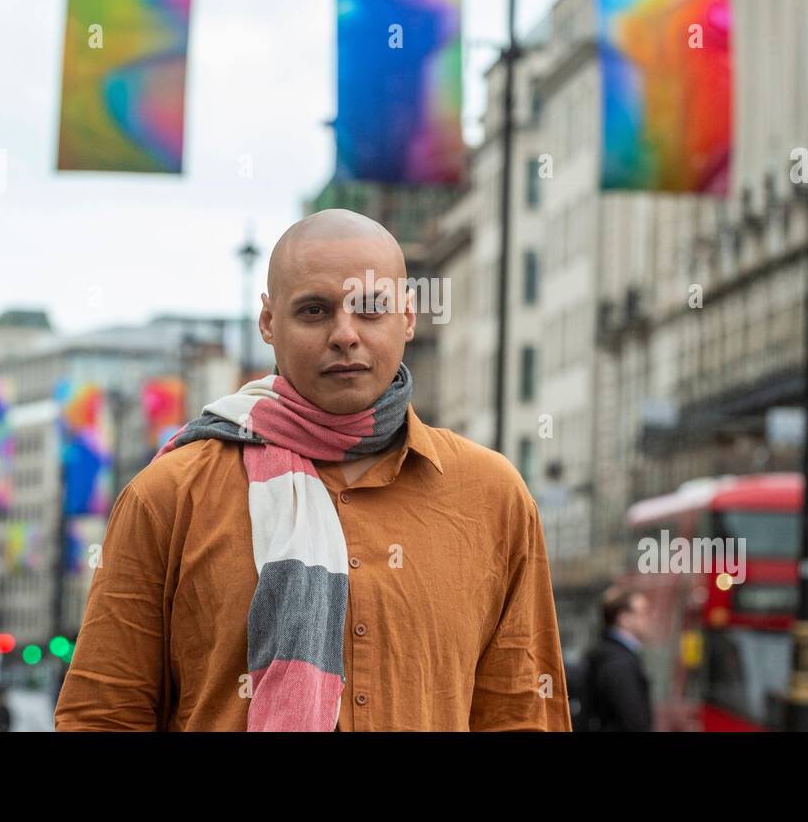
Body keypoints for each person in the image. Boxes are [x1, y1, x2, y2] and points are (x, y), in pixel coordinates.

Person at [55, 209, 571, 732]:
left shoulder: (492, 495)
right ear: (268, 323)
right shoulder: (168, 496)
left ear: (409, 318)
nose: (345, 334)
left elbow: (521, 714)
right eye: (315, 311)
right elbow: (103, 715)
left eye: (371, 308)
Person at [579, 586, 654, 732]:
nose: (650, 618)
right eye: (644, 612)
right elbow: (634, 722)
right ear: (624, 619)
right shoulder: (619, 663)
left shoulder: (607, 654)